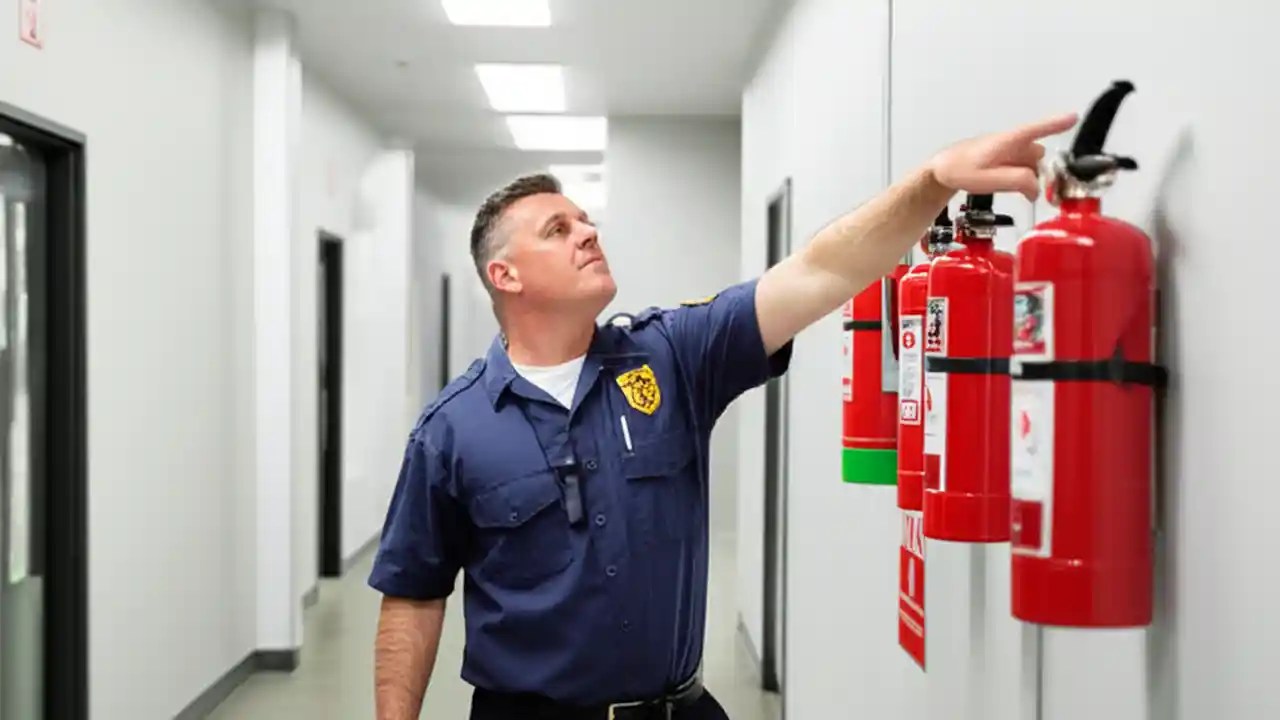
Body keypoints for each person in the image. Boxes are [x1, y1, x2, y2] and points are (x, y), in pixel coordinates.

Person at [368, 112, 1078, 720]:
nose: (588, 233)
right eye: (558, 229)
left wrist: (932, 184)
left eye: (586, 220)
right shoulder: (452, 429)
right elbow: (412, 596)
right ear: (506, 275)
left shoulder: (672, 355)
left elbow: (820, 270)